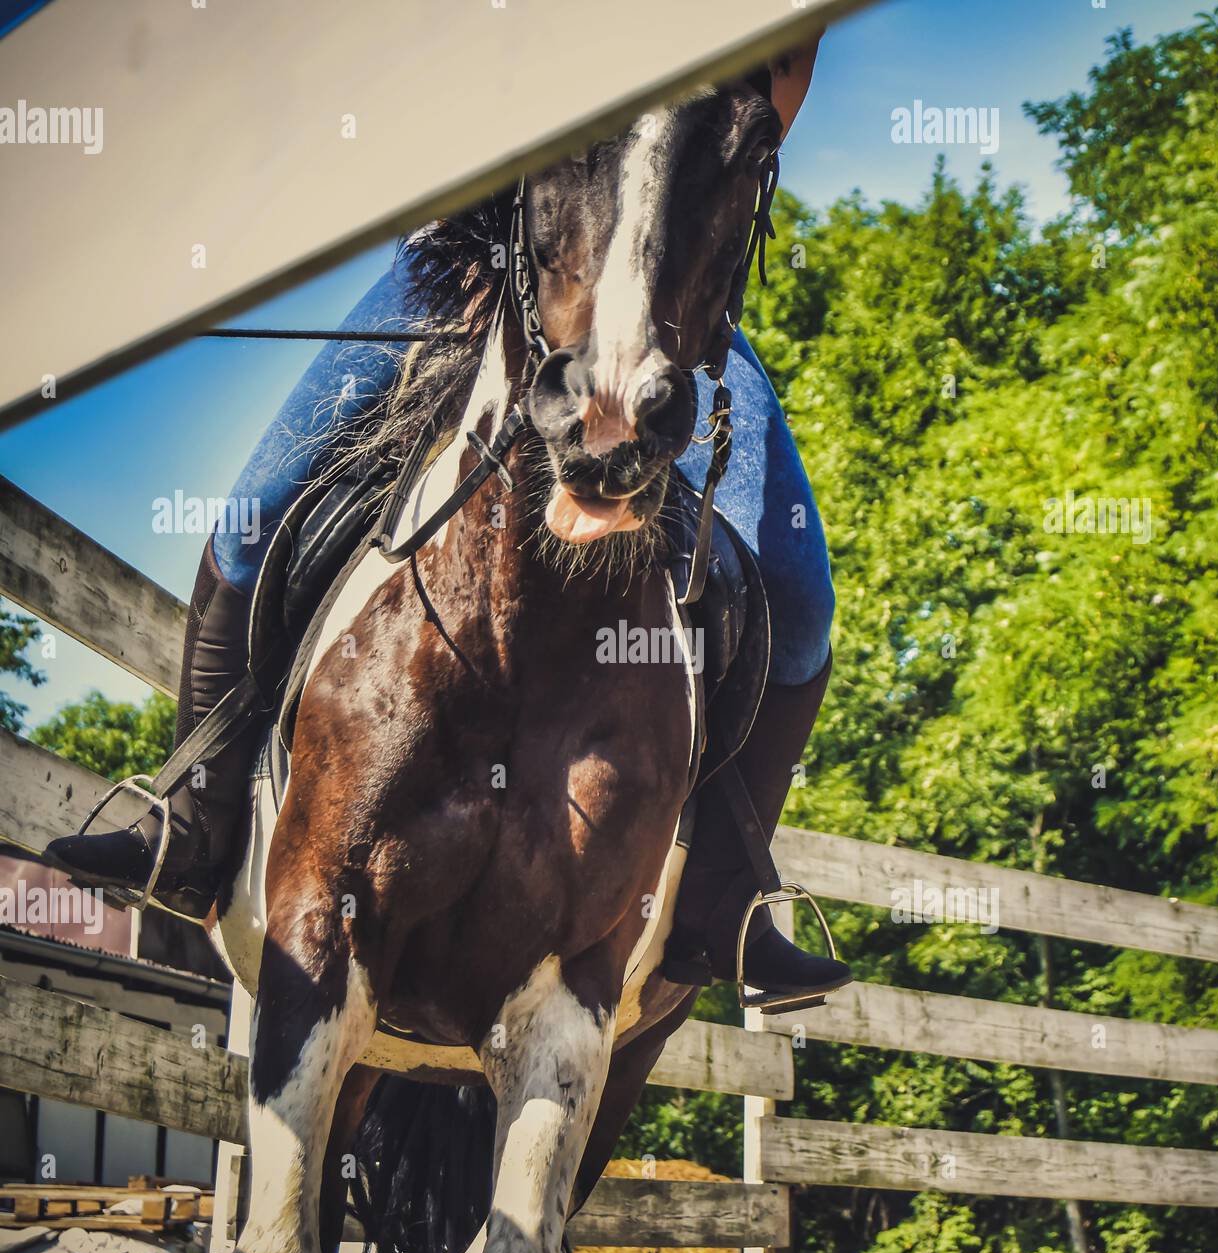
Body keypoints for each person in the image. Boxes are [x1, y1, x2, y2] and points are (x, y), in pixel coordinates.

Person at [47, 37, 851, 1007]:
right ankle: (192, 814)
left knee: (800, 601)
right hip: (469, 253)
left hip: (669, 283)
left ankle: (726, 906)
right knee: (261, 506)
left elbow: (776, 92)